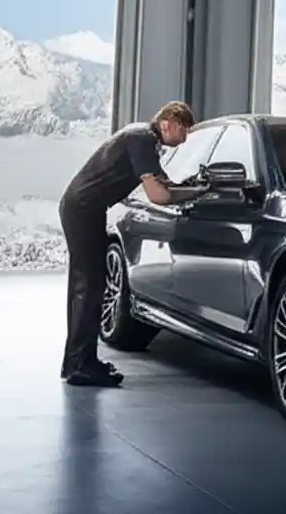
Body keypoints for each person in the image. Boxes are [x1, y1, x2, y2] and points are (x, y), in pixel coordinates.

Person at [58, 101, 203, 386]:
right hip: (83, 209)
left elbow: (164, 184)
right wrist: (196, 192)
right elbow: (158, 196)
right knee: (89, 285)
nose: (185, 136)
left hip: (84, 208)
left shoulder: (142, 139)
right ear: (168, 122)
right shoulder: (142, 139)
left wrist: (186, 187)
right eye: (183, 128)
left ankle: (77, 361)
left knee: (86, 284)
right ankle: (80, 366)